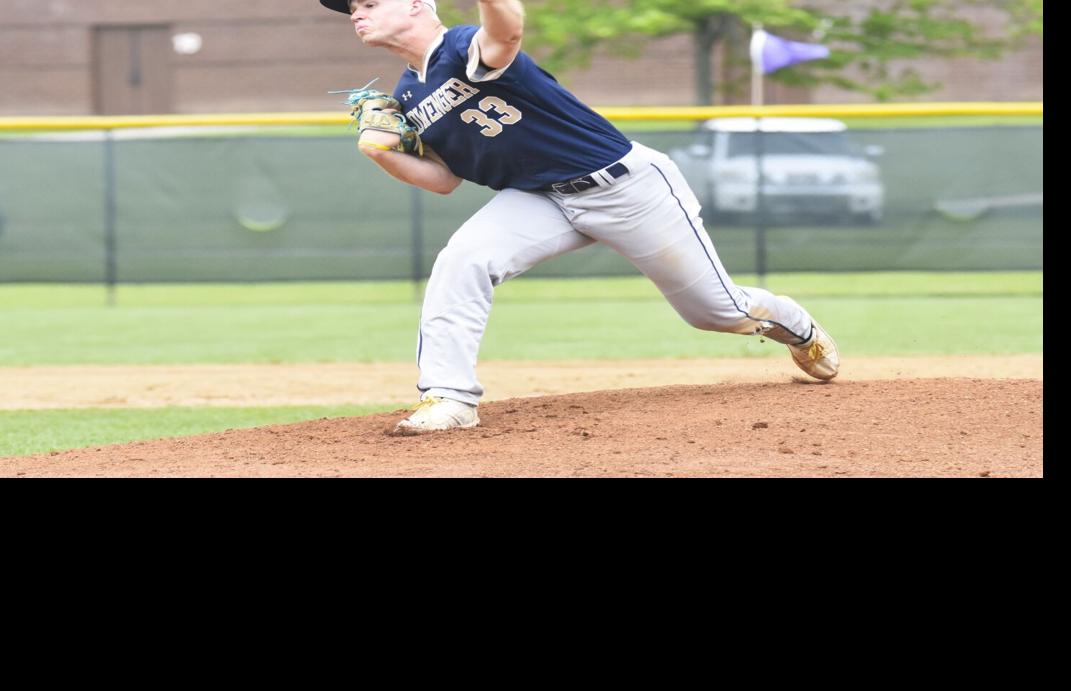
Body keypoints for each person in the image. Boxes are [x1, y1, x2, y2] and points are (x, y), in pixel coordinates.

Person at [319, 0, 839, 435]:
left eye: (369, 3)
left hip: (625, 186)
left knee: (716, 313)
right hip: (539, 198)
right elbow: (444, 179)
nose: (355, 15)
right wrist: (382, 152)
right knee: (463, 259)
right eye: (353, 9)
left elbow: (508, 29)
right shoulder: (409, 93)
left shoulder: (458, 45)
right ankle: (449, 399)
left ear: (414, 5)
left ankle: (794, 325)